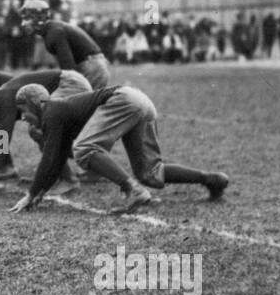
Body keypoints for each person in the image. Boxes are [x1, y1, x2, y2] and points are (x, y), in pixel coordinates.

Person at [71, 83, 230, 212]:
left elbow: (55, 149)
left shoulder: (51, 110)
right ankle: (211, 179)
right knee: (150, 172)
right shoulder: (55, 103)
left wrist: (45, 186)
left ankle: (133, 189)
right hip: (139, 99)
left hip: (125, 100)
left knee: (84, 148)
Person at [0, 68, 94, 202]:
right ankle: (76, 169)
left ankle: (70, 179)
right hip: (68, 82)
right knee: (40, 131)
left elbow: (2, 140)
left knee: (41, 131)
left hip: (69, 83)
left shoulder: (2, 99)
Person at [7, 83, 126, 212]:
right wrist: (41, 191)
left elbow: (2, 130)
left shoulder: (4, 103)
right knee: (52, 142)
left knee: (58, 142)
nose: (22, 116)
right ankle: (69, 177)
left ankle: (6, 168)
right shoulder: (9, 100)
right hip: (59, 94)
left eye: (23, 111)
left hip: (71, 83)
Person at [19, 0, 110, 88]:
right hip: (93, 65)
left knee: (74, 99)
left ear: (38, 18)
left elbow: (68, 66)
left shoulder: (54, 32)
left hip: (92, 67)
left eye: (28, 18)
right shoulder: (52, 30)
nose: (25, 23)